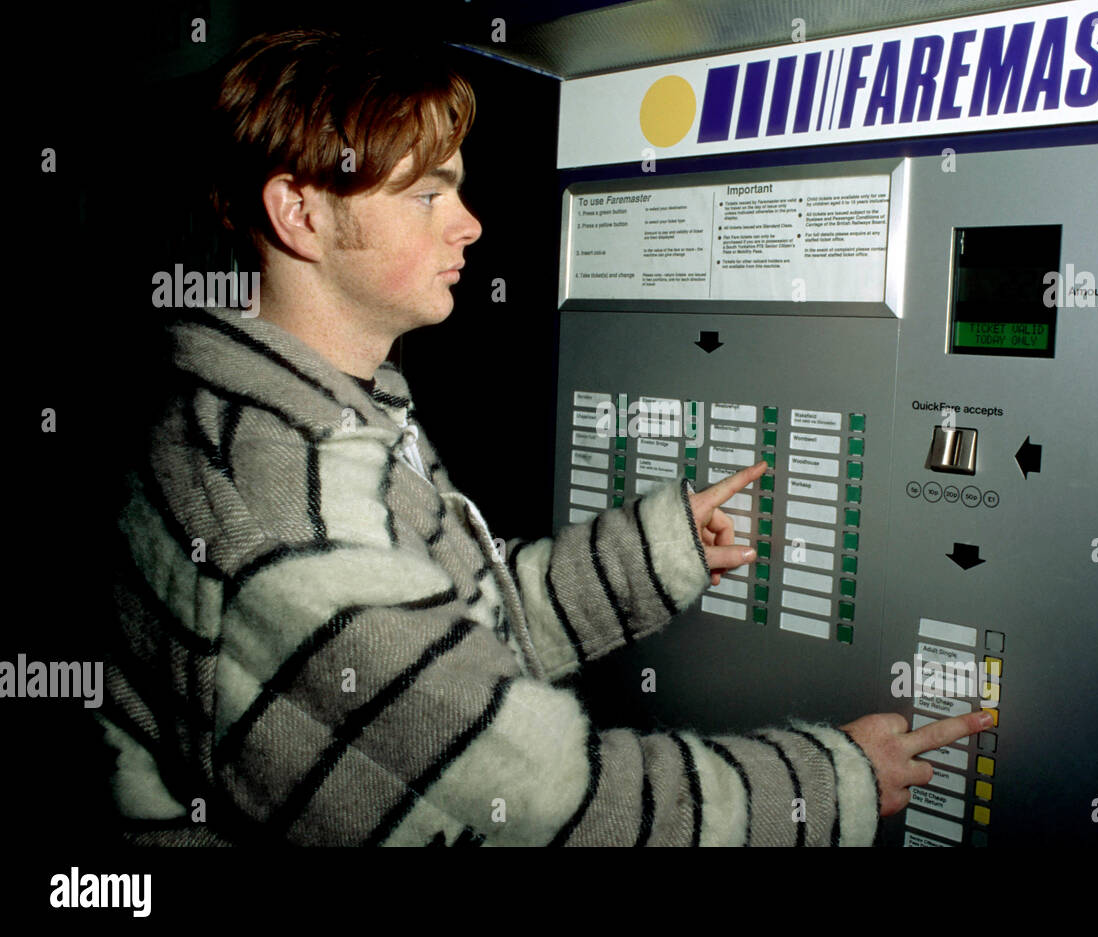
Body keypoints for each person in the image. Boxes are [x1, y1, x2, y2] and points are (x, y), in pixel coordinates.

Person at [101, 27, 990, 846]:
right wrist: (833, 783)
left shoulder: (301, 412)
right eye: (425, 194)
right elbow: (543, 801)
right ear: (300, 214)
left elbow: (451, 641)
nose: (470, 223)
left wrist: (655, 552)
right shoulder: (288, 490)